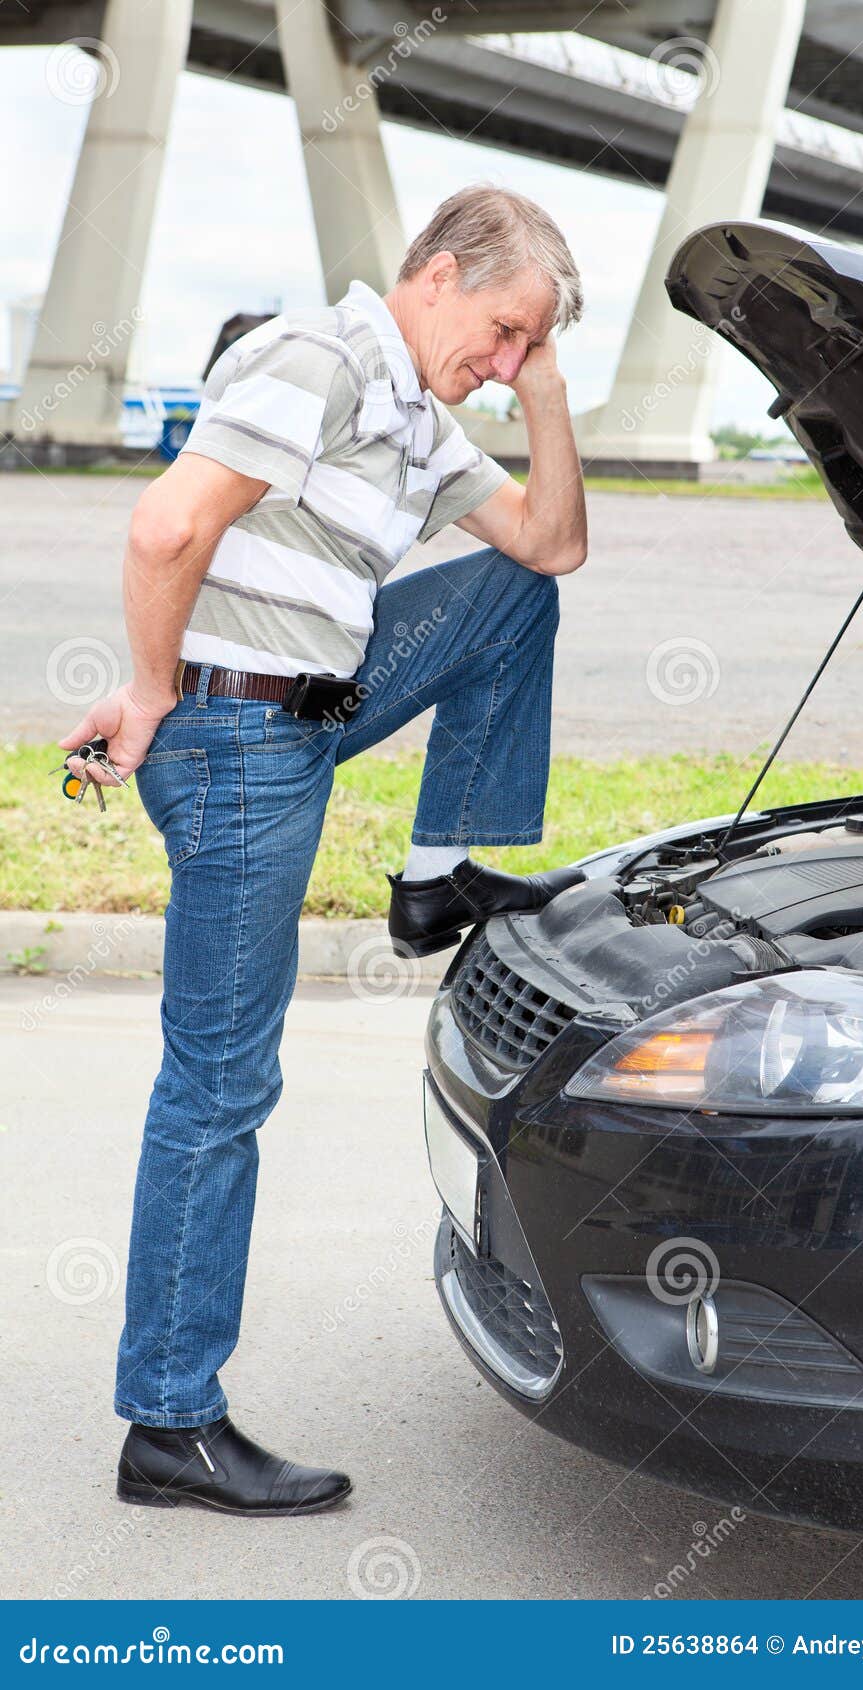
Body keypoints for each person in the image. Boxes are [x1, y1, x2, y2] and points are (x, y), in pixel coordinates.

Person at [58, 185, 588, 1516]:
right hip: (237, 739)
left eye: (531, 345)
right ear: (444, 273)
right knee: (221, 1085)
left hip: (309, 708)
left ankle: (434, 874)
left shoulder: (417, 417)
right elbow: (165, 525)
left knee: (513, 592)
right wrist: (150, 687)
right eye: (507, 328)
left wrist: (542, 390)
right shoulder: (325, 359)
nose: (507, 359)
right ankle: (171, 1422)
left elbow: (552, 543)